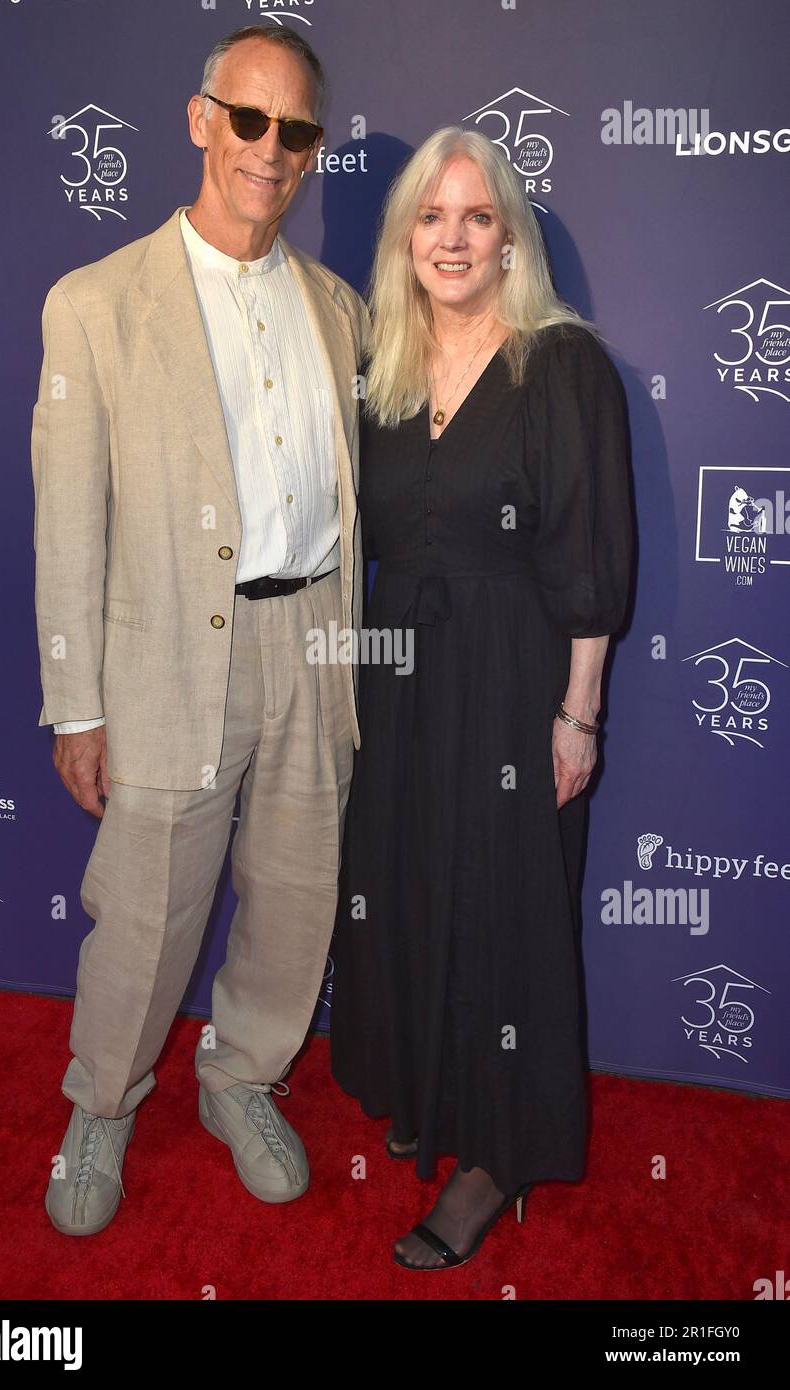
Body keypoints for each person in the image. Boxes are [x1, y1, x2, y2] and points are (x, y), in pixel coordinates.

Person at [31, 25, 370, 1235]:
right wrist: (79, 704)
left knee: (295, 897)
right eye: (248, 121)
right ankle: (103, 1106)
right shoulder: (96, 305)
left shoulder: (339, 309)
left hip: (315, 641)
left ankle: (240, 1078)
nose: (270, 152)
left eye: (296, 133)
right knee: (148, 907)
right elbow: (67, 522)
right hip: (169, 656)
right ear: (199, 119)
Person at [329, 125, 634, 1270]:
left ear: (510, 236)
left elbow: (590, 556)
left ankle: (495, 1156)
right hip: (398, 669)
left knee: (505, 901)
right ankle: (428, 1086)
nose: (451, 238)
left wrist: (578, 710)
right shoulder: (385, 370)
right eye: (429, 216)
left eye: (476, 216)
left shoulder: (559, 365)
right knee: (406, 882)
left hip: (515, 674)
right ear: (405, 238)